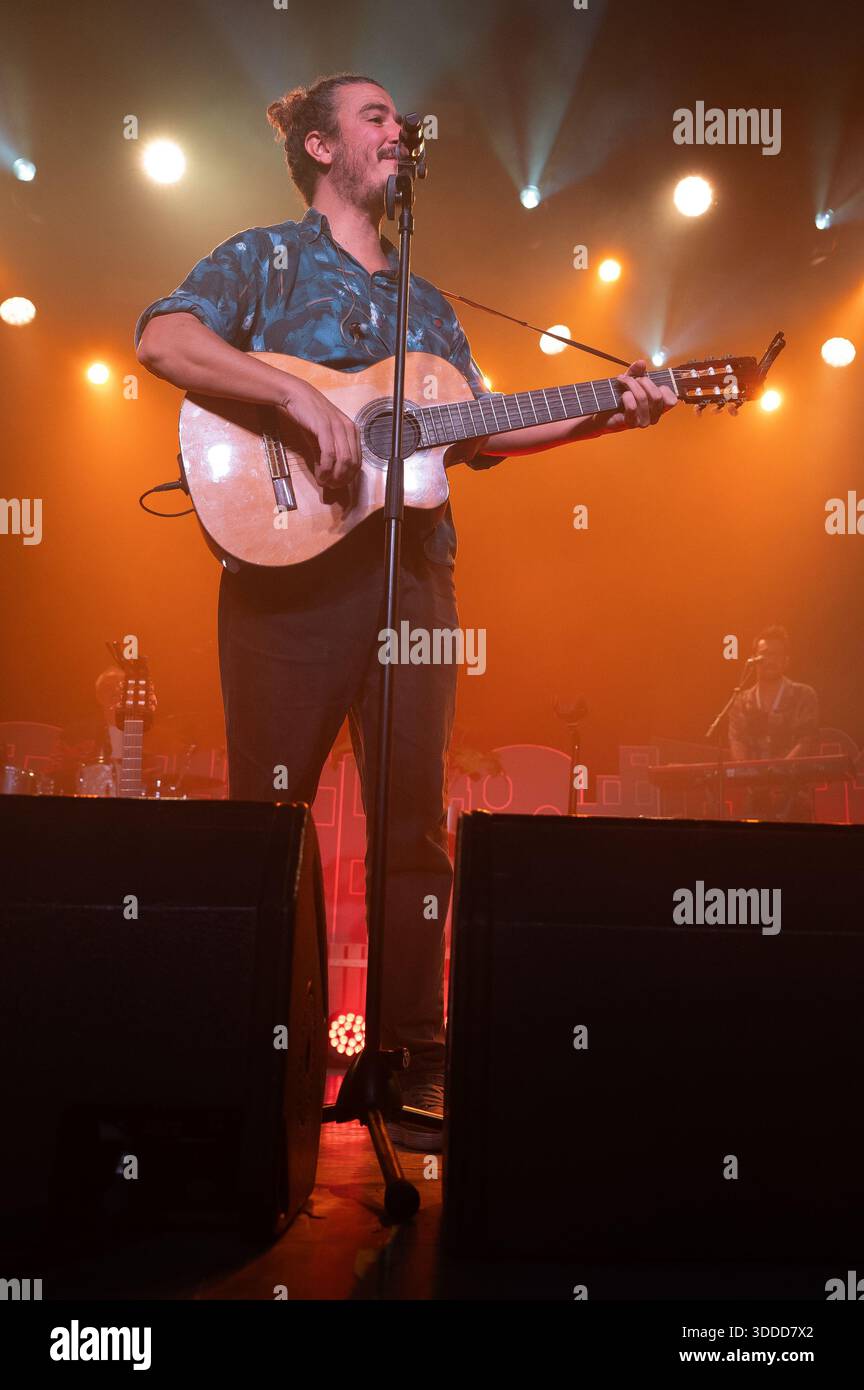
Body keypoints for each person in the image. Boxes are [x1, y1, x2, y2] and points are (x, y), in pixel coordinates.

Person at [134, 72, 677, 1150]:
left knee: (413, 824)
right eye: (375, 115)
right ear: (324, 147)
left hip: (413, 578)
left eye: (398, 118)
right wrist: (293, 397)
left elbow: (480, 430)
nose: (397, 129)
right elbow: (163, 340)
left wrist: (612, 416)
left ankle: (410, 1057)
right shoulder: (267, 257)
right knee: (272, 829)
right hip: (287, 581)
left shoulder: (425, 304)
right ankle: (268, 1058)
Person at [728, 625, 820, 820]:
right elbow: (737, 741)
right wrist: (750, 774)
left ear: (786, 661)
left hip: (794, 796)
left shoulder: (803, 695)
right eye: (764, 654)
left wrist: (778, 775)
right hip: (755, 797)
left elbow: (806, 739)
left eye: (776, 655)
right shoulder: (741, 701)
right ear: (754, 660)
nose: (770, 660)